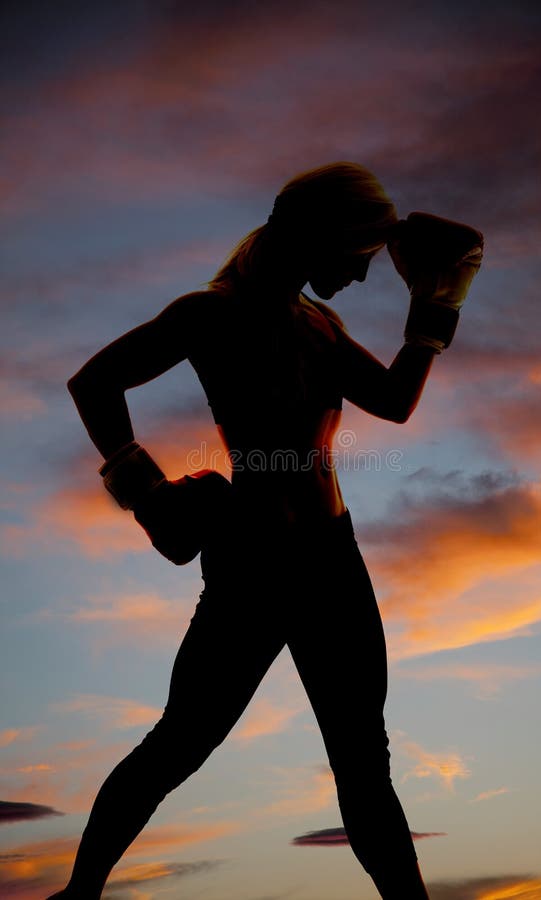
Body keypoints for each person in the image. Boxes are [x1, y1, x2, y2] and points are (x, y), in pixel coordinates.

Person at [47, 161, 483, 900]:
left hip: (333, 562)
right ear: (323, 238)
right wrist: (145, 492)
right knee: (182, 742)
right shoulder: (209, 312)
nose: (365, 277)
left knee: (361, 760)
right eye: (360, 257)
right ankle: (80, 894)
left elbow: (392, 401)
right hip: (253, 562)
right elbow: (93, 382)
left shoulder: (320, 322)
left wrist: (435, 309)